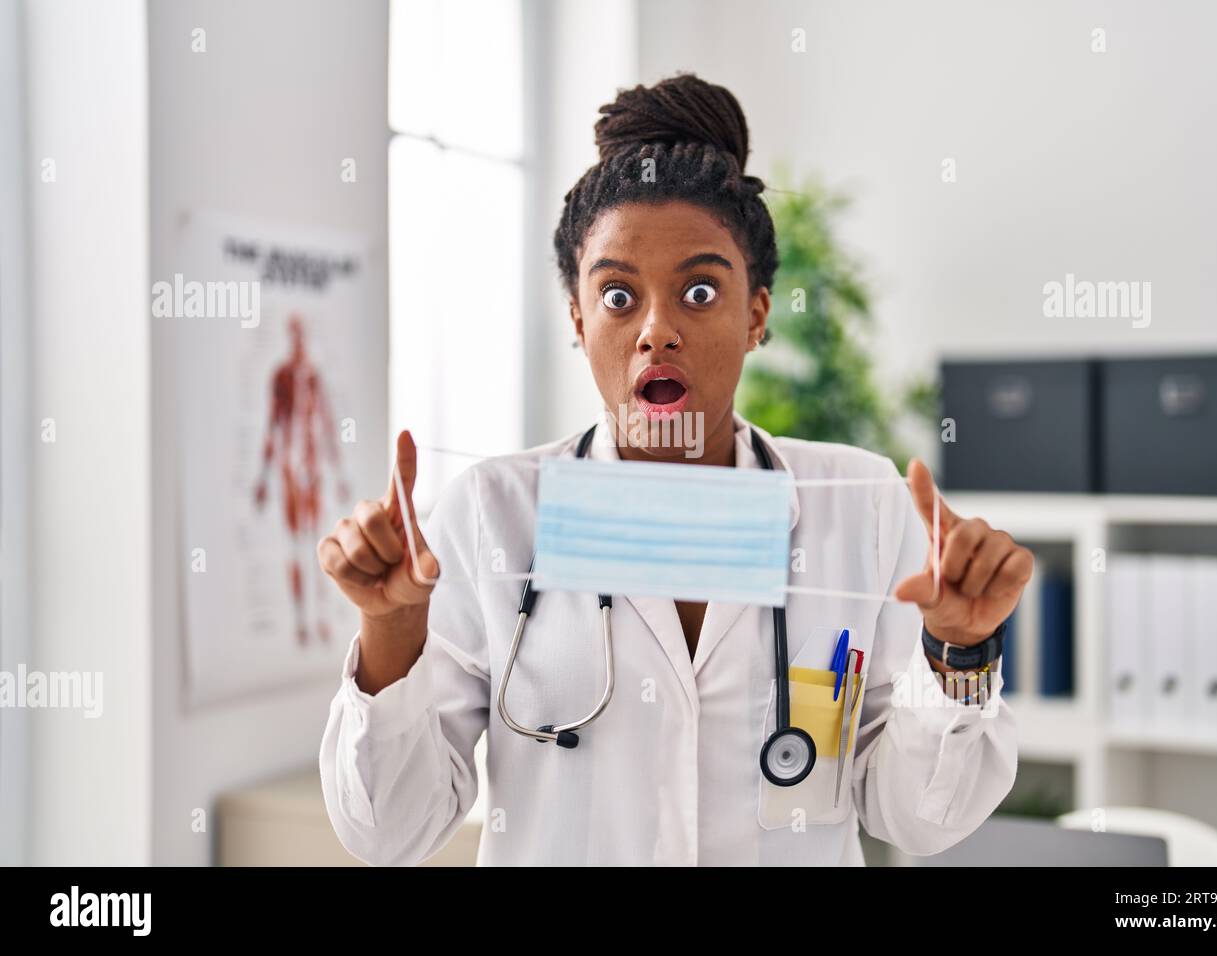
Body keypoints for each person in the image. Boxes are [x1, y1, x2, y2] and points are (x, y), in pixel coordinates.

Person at [317, 74, 1031, 866]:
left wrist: (958, 653)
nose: (657, 330)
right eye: (618, 296)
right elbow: (389, 834)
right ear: (578, 319)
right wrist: (389, 629)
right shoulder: (491, 513)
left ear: (756, 312)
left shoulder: (859, 506)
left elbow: (920, 819)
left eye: (698, 291)